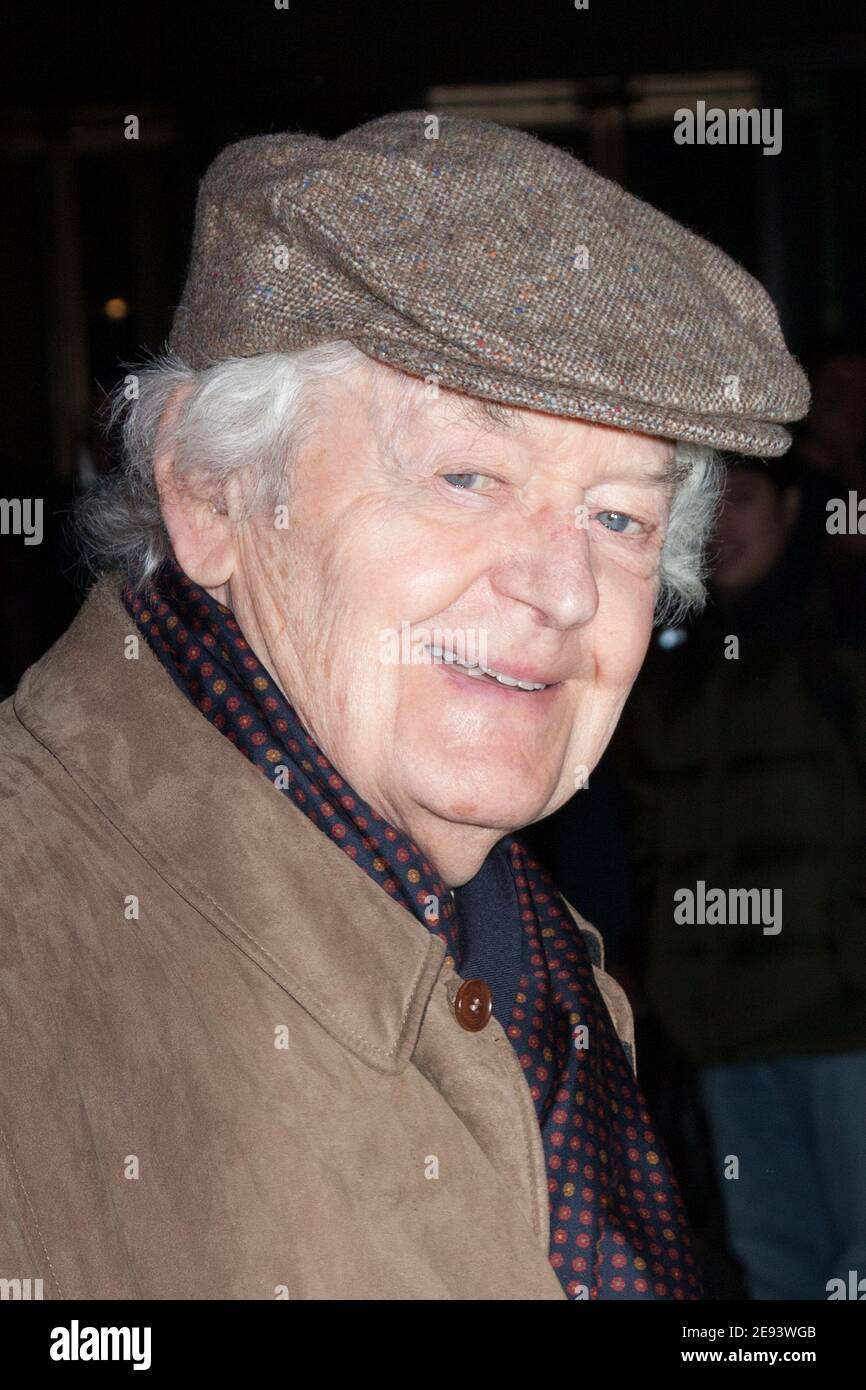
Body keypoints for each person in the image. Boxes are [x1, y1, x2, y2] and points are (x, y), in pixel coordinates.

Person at [0, 110, 808, 1300]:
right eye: (465, 476)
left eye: (618, 518)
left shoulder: (524, 950)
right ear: (213, 491)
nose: (561, 587)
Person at [615, 454, 866, 1300]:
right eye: (706, 504)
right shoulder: (671, 655)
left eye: (745, 499)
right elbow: (643, 837)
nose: (723, 525)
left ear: (794, 507)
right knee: (775, 1268)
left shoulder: (840, 633)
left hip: (843, 1024)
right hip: (723, 1025)